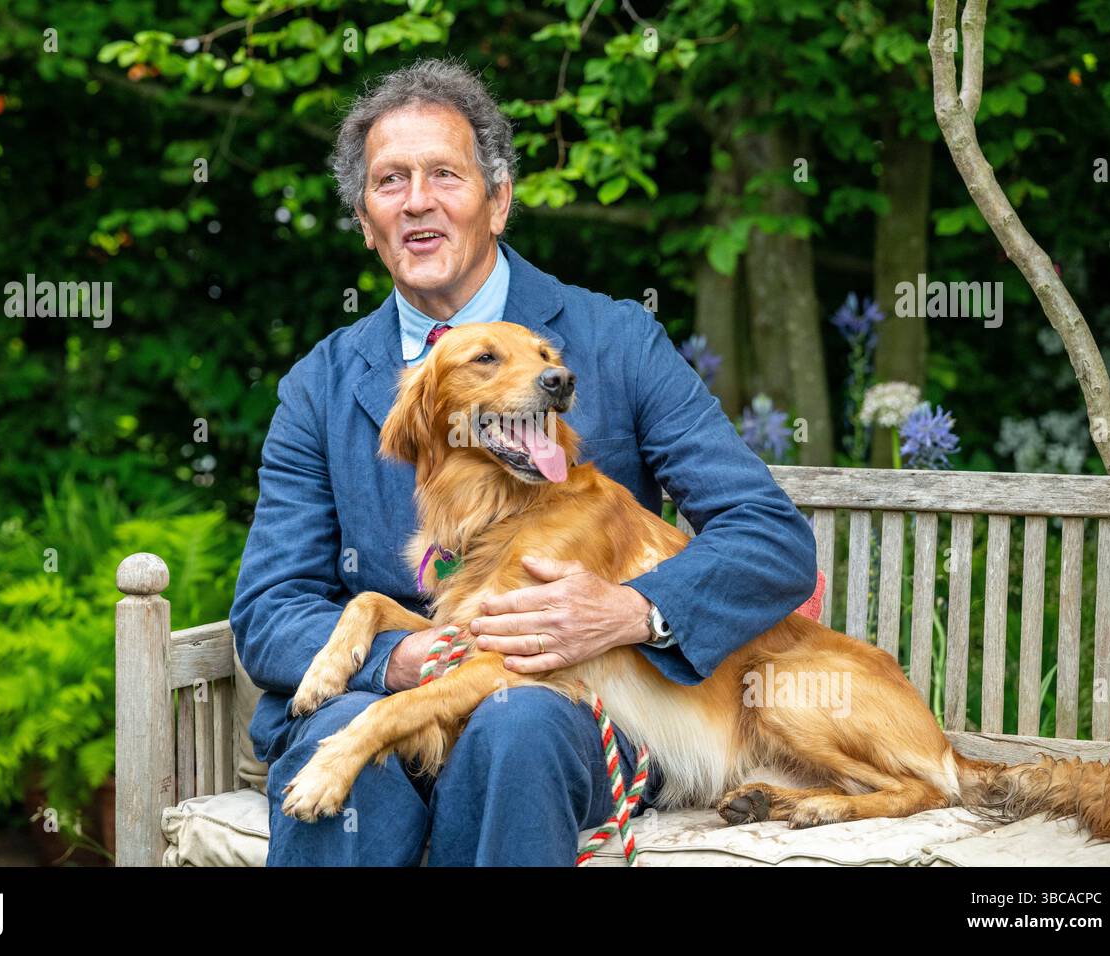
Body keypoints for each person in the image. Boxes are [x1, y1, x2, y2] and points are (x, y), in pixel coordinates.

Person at [229, 57, 818, 867]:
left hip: (561, 711)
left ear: (498, 200)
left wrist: (633, 611)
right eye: (390, 181)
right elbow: (268, 609)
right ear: (367, 221)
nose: (418, 201)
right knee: (340, 742)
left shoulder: (616, 340)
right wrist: (392, 660)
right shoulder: (319, 388)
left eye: (445, 173)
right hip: (383, 697)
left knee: (520, 722)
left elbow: (770, 539)